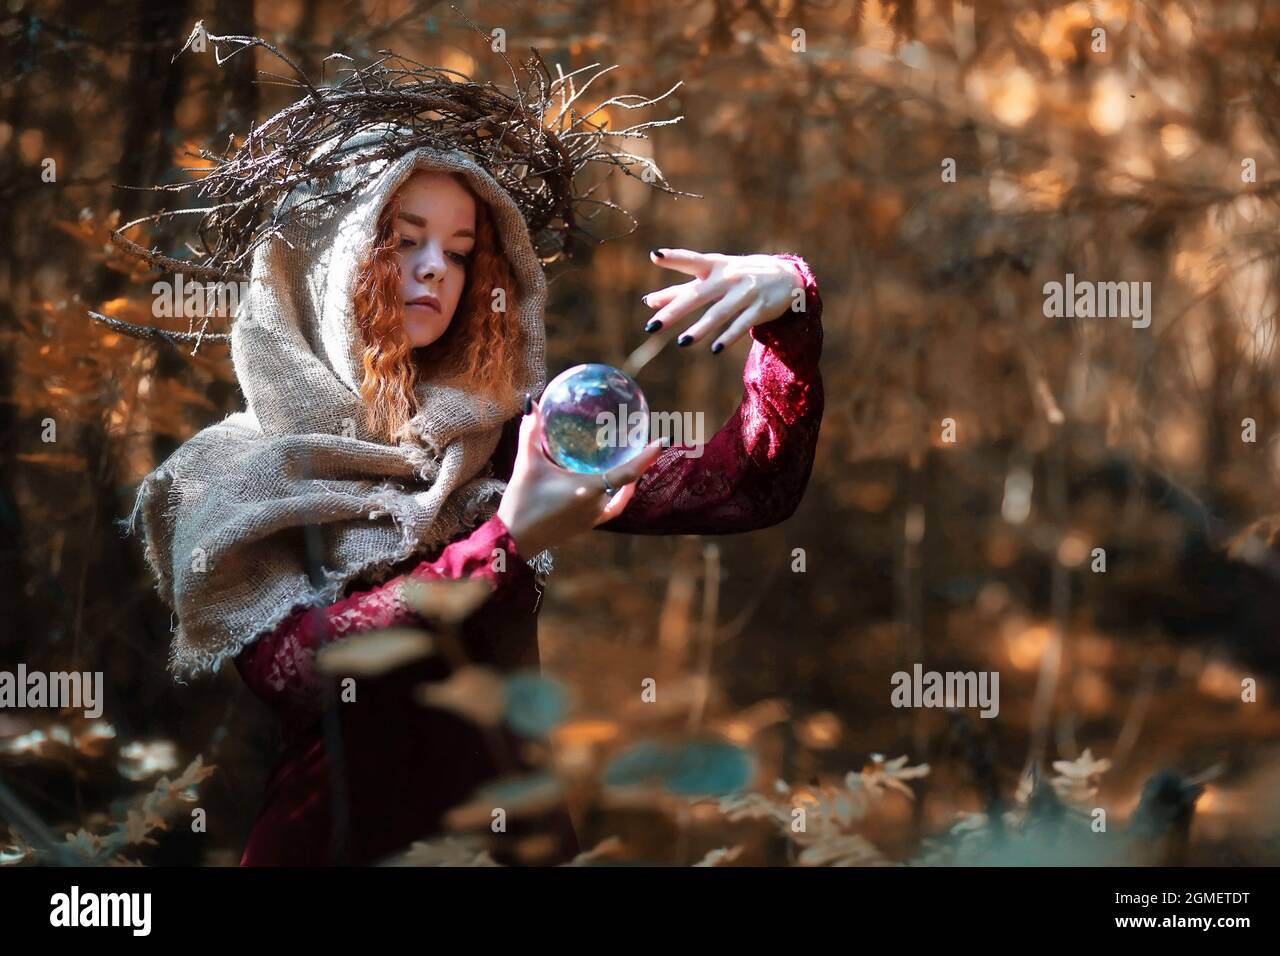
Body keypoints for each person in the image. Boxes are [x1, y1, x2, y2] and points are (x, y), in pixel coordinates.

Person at [128, 125, 824, 867]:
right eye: (404, 240)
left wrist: (787, 309)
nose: (435, 269)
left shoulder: (502, 438)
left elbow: (747, 487)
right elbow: (296, 673)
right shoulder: (238, 471)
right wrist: (505, 543)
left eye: (459, 252)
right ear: (332, 258)